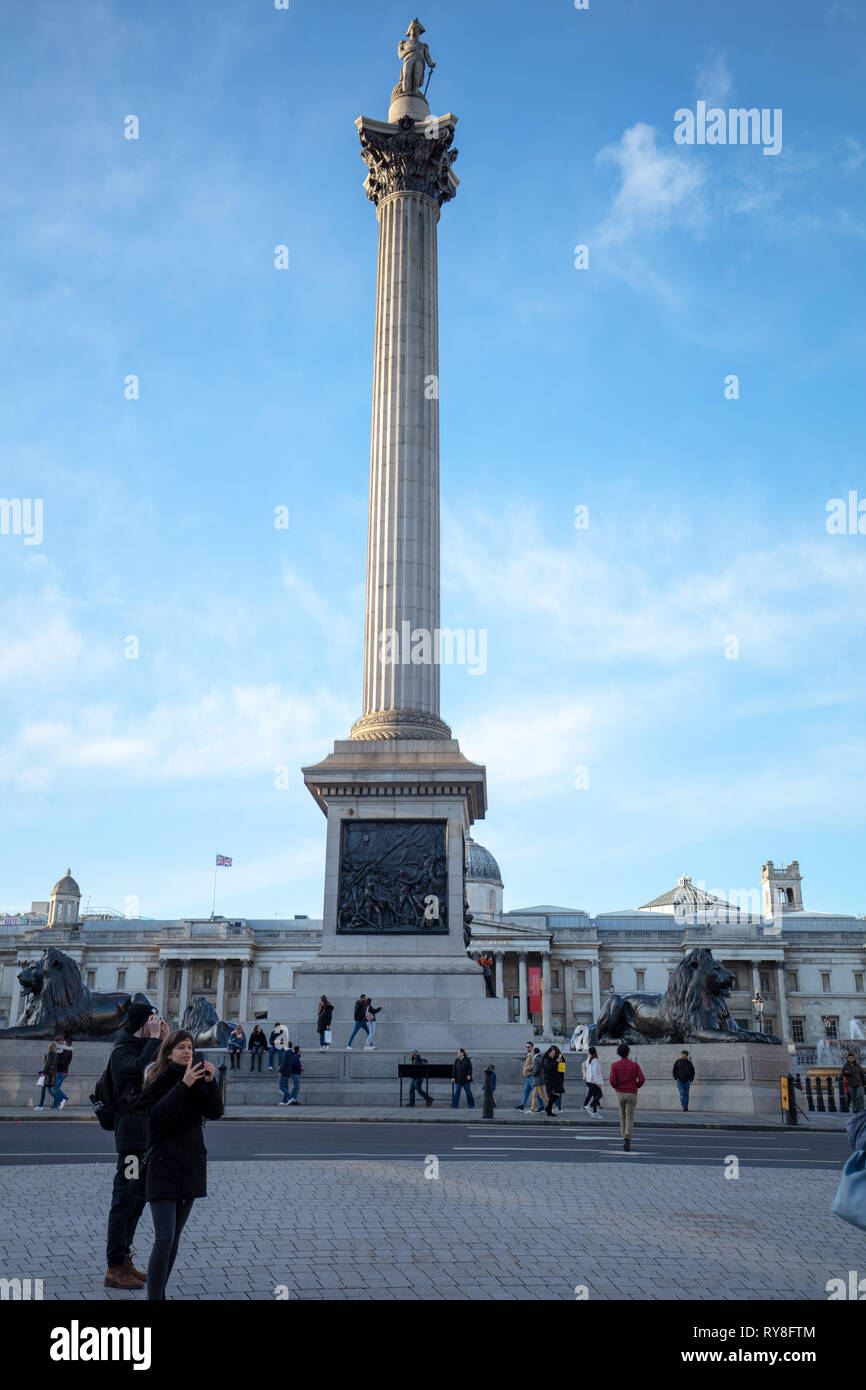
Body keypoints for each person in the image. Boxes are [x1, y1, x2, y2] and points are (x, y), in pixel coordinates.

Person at [136, 1030, 223, 1300]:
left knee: (173, 1240)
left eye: (190, 1047)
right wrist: (183, 1084)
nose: (187, 1052)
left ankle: (159, 1292)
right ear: (169, 1052)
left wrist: (210, 1082)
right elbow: (156, 1116)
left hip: (191, 1165)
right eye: (181, 1048)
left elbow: (215, 1112)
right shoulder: (158, 1078)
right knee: (163, 1238)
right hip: (163, 1165)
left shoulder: (197, 1076)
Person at [104, 1002, 169, 1289]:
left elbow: (159, 1076)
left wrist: (164, 1043)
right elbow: (139, 1069)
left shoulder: (144, 1047)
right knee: (125, 1199)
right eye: (152, 1021)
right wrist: (154, 1040)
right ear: (140, 1023)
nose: (155, 1025)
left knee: (137, 1200)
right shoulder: (122, 1050)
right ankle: (114, 1266)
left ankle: (125, 1259)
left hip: (144, 1139)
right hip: (130, 1141)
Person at [609, 1043, 645, 1151]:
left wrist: (616, 1087)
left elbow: (611, 1080)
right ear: (628, 1052)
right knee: (630, 1116)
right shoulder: (635, 1065)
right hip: (632, 1092)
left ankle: (623, 1136)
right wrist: (636, 1086)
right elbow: (642, 1079)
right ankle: (628, 1139)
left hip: (620, 1092)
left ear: (619, 1053)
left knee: (622, 1115)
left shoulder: (614, 1065)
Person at [513, 1042, 536, 1111]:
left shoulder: (532, 1054)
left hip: (531, 1076)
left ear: (532, 1047)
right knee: (526, 1092)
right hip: (528, 1076)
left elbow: (534, 1065)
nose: (527, 1048)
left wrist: (527, 1068)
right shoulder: (528, 1054)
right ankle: (522, 1106)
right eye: (526, 1047)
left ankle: (541, 1107)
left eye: (529, 1047)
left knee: (535, 1092)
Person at [35, 1041, 58, 1110]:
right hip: (52, 1075)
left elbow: (47, 1065)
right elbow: (54, 1066)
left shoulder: (50, 1054)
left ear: (49, 1047)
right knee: (50, 1090)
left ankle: (40, 1106)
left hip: (47, 1074)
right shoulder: (56, 1055)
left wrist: (43, 1073)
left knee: (44, 1091)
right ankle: (59, 1100)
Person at [543, 1045, 565, 1117]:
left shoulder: (553, 1059)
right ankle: (549, 1109)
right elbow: (550, 1067)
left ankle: (548, 1109)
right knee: (553, 1095)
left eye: (554, 1053)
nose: (554, 1054)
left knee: (555, 1095)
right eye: (552, 1053)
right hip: (549, 1080)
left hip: (555, 1080)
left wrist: (560, 1061)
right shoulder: (546, 1059)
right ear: (549, 1053)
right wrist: (557, 1061)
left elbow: (560, 1068)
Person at [582, 1046, 603, 1116]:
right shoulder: (594, 1061)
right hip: (593, 1081)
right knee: (599, 1095)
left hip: (589, 1080)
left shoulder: (589, 1060)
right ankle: (589, 1106)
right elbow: (595, 1073)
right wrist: (598, 1083)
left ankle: (594, 1112)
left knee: (595, 1095)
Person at [52, 1036, 73, 1109]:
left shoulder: (67, 1051)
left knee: (55, 1087)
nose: (63, 1044)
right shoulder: (67, 1050)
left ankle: (64, 1098)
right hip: (62, 1071)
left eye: (64, 1043)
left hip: (61, 1071)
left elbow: (62, 1061)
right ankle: (55, 1104)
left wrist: (55, 1060)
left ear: (67, 1043)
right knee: (56, 1088)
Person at [526, 1048, 547, 1114]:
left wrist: (531, 1072)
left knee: (542, 1095)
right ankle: (532, 1109)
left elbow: (536, 1070)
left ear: (534, 1053)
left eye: (532, 1053)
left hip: (538, 1080)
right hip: (539, 1079)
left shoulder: (536, 1059)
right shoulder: (541, 1058)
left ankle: (553, 1106)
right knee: (534, 1095)